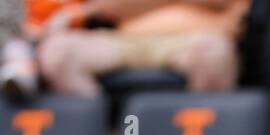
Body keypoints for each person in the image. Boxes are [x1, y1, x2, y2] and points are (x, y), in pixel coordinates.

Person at [11, 0, 249, 97]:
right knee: (57, 53)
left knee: (214, 54)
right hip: (127, 39)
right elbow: (106, 6)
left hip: (196, 40)